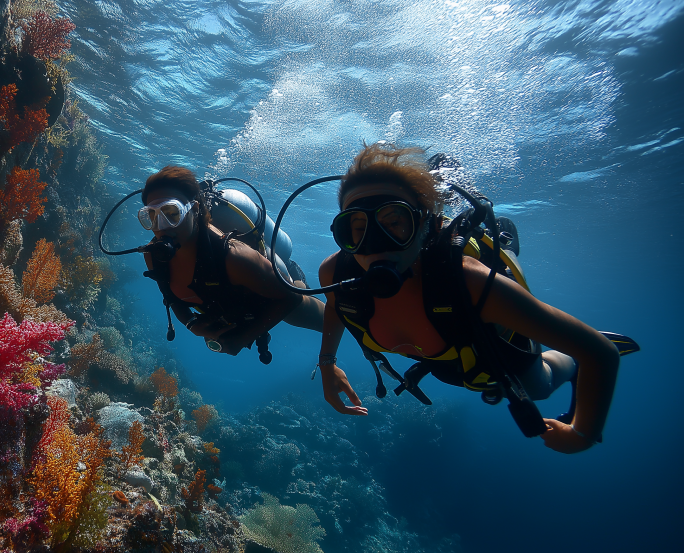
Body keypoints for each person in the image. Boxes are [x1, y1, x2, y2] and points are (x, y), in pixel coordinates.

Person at [316, 143, 621, 454]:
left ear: (426, 225)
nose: (375, 244)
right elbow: (336, 306)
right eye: (357, 228)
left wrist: (582, 435)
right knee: (452, 374)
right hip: (444, 356)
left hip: (492, 346)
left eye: (395, 224)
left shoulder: (470, 283)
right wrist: (327, 363)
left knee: (538, 386)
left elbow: (600, 352)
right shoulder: (336, 275)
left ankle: (500, 240)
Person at [141, 166, 325, 359]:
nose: (161, 226)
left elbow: (290, 298)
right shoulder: (154, 256)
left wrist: (244, 337)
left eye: (172, 213)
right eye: (152, 217)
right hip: (231, 304)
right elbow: (169, 294)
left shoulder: (234, 257)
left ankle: (295, 276)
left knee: (322, 317)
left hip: (270, 295)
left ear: (194, 209)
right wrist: (191, 324)